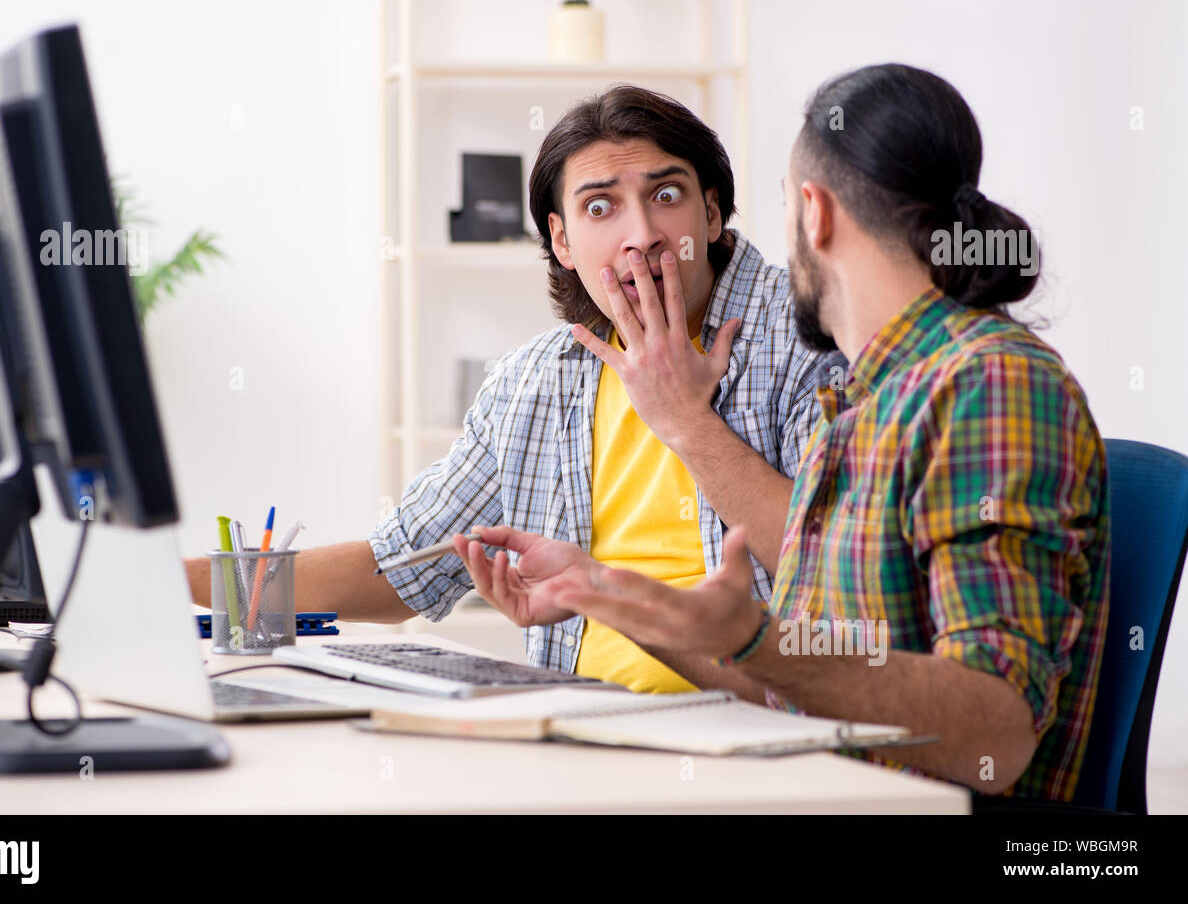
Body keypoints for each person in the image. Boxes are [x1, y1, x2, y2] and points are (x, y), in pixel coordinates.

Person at [454, 64, 1110, 801]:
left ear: (814, 213)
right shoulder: (863, 402)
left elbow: (995, 728)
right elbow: (815, 683)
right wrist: (606, 592)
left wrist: (752, 638)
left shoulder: (986, 385)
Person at [187, 85, 831, 693]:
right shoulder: (535, 380)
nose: (641, 235)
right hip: (581, 728)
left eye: (666, 195)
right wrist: (167, 587)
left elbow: (836, 565)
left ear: (712, 212)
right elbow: (398, 569)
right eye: (599, 207)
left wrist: (687, 422)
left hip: (770, 729)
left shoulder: (811, 334)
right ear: (562, 240)